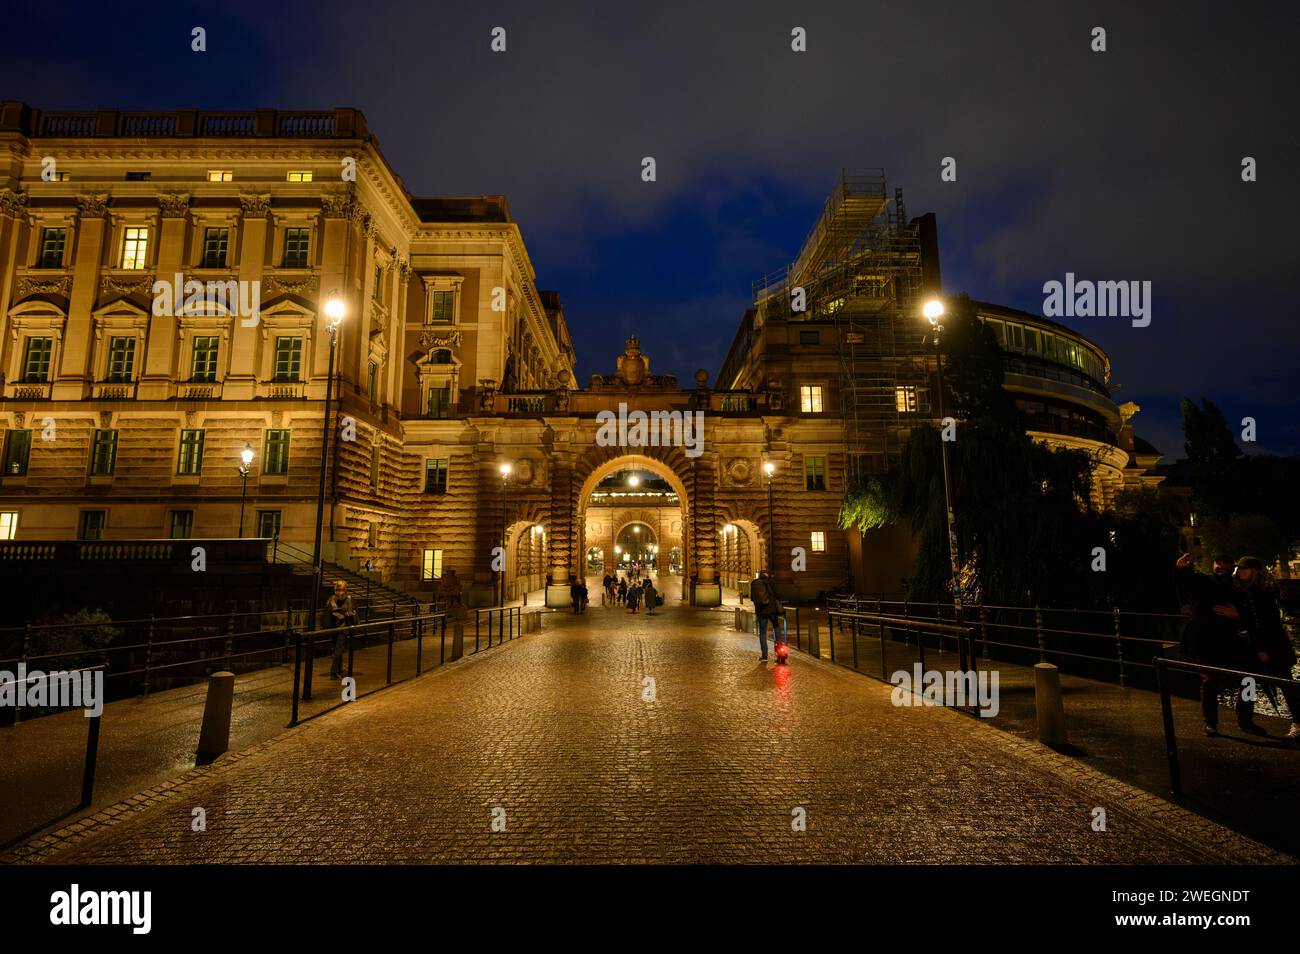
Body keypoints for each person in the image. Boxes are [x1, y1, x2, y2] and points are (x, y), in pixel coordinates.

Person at [1175, 552, 1259, 736]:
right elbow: (1186, 581)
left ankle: (1245, 720)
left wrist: (1238, 616)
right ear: (1213, 565)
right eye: (1218, 564)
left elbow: (1250, 615)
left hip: (1229, 640)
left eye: (1226, 565)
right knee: (1210, 681)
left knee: (1248, 680)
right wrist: (1182, 569)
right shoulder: (1203, 582)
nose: (1221, 568)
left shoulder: (1238, 588)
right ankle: (1211, 723)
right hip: (1203, 641)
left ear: (1231, 567)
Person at [1235, 556, 1300, 741]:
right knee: (1249, 681)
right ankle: (1246, 720)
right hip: (1256, 646)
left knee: (1285, 684)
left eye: (1245, 569)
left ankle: (1298, 722)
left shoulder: (1262, 592)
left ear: (1255, 571)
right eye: (1239, 568)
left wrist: (1262, 649)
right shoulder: (1246, 590)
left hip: (1271, 647)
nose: (1240, 572)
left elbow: (1264, 623)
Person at [750, 569, 785, 663]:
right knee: (776, 628)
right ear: (767, 575)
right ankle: (780, 654)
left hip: (761, 612)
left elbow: (752, 598)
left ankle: (764, 656)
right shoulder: (771, 582)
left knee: (762, 633)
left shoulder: (754, 583)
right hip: (772, 611)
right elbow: (778, 595)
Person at [326, 579, 358, 679]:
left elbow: (330, 611)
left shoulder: (331, 599)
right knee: (338, 650)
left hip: (333, 627)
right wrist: (347, 614)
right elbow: (352, 612)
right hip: (342, 627)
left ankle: (338, 669)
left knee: (336, 649)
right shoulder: (348, 598)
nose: (340, 591)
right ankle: (334, 672)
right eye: (339, 589)